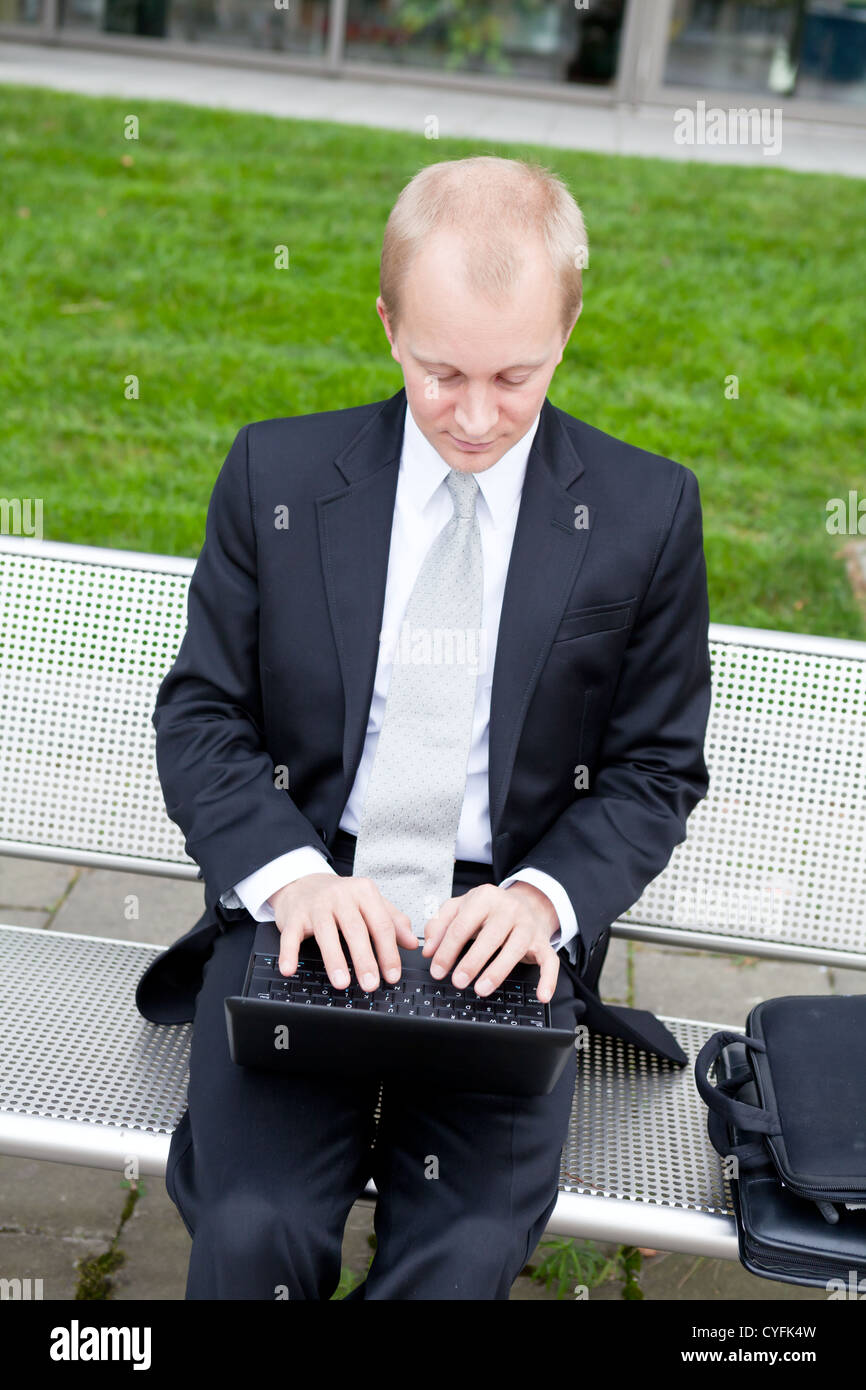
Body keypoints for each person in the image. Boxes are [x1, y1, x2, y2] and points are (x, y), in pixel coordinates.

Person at [135, 154, 712, 1300]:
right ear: (387, 322)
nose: (477, 415)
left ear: (570, 324)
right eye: (441, 371)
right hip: (307, 909)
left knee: (456, 1260)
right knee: (252, 1227)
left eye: (517, 375)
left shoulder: (643, 513)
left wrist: (541, 903)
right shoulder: (277, 474)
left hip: (499, 929)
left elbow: (652, 768)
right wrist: (291, 877)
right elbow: (201, 713)